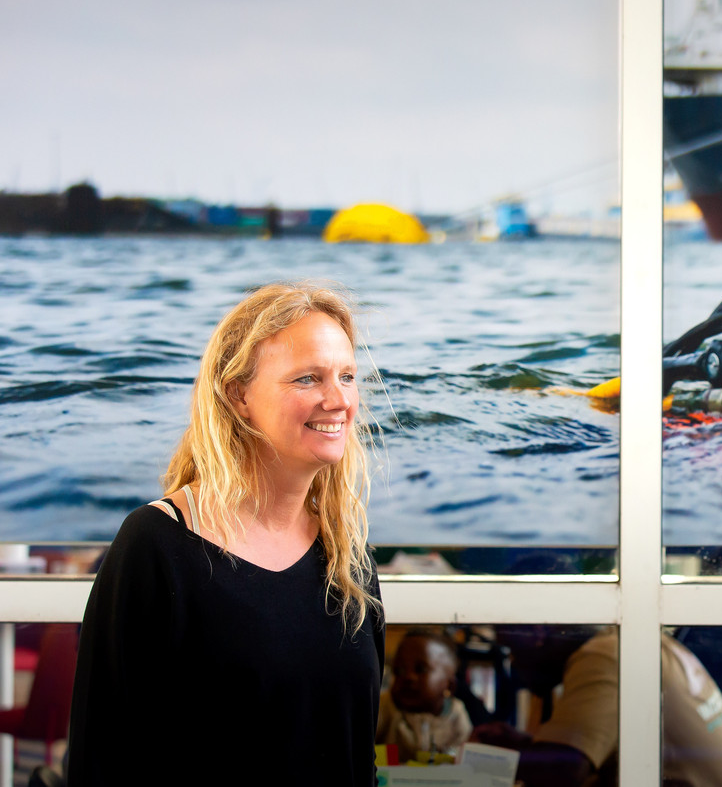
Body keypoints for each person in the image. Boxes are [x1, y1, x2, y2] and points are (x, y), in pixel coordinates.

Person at [68, 282, 384, 787]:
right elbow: (100, 760)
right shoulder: (156, 546)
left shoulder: (348, 555)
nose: (338, 399)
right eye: (308, 378)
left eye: (347, 376)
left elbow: (357, 754)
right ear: (238, 395)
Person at [474, 624, 722, 787]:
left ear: (535, 633)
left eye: (511, 648)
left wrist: (479, 760)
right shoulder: (628, 638)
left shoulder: (605, 656)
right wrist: (525, 745)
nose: (513, 663)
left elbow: (566, 770)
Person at [378, 628, 474, 761]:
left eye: (421, 669)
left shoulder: (456, 714)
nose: (408, 677)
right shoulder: (384, 707)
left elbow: (462, 757)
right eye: (399, 670)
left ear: (449, 686)